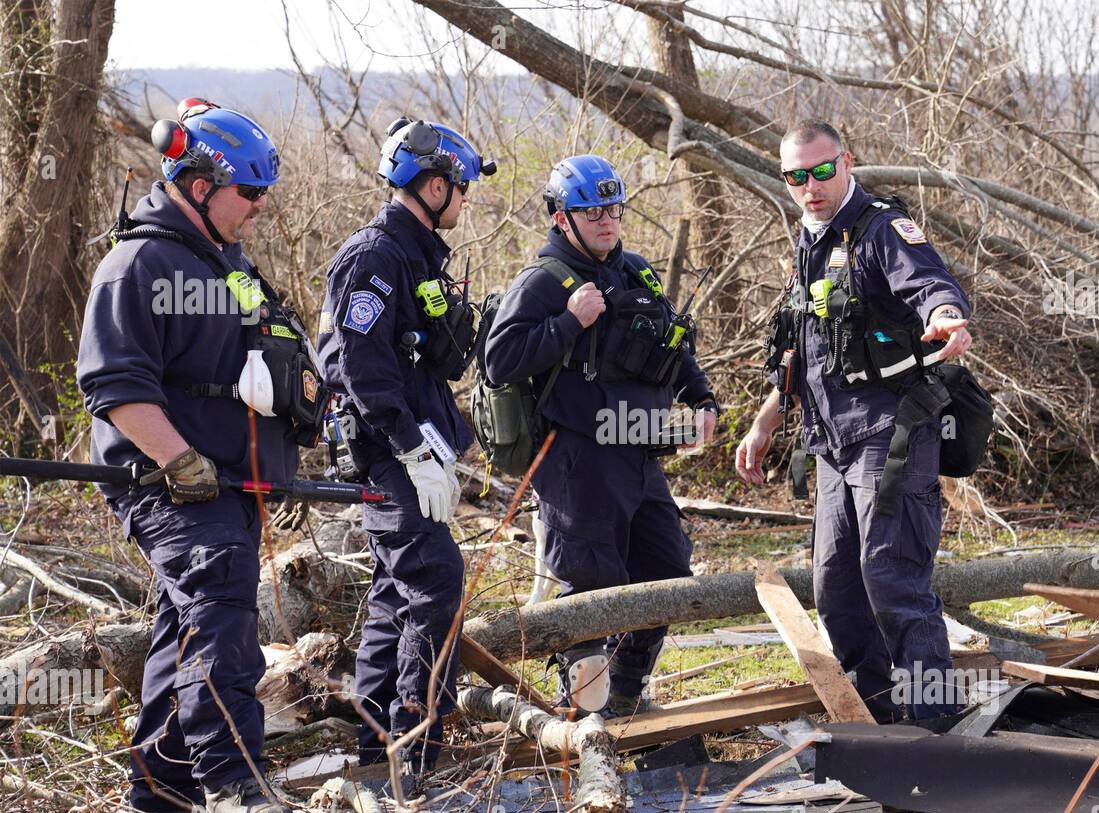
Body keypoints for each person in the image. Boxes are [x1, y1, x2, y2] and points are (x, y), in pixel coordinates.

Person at [78, 98, 315, 813]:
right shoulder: (138, 264)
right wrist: (179, 460)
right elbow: (115, 387)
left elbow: (266, 348)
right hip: (171, 486)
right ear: (201, 182)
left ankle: (156, 801)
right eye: (249, 191)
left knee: (184, 628)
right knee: (221, 610)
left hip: (231, 483)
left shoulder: (228, 263)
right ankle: (232, 779)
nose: (259, 205)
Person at [735, 121, 974, 722]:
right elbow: (801, 342)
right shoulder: (810, 241)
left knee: (892, 578)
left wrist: (946, 317)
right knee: (836, 590)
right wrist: (766, 420)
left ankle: (934, 728)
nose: (810, 187)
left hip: (889, 432)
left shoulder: (881, 229)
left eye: (821, 171)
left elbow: (930, 283)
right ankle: (878, 718)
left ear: (846, 162)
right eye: (796, 176)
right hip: (830, 439)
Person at [484, 154, 719, 717]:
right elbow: (500, 361)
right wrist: (568, 321)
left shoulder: (634, 270)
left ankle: (626, 700)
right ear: (562, 217)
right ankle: (584, 726)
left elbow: (673, 346)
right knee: (591, 589)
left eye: (613, 208)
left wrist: (702, 397)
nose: (607, 221)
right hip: (578, 463)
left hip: (640, 453)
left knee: (666, 575)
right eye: (592, 212)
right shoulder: (543, 281)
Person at [317, 119, 494, 773]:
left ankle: (376, 752)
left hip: (413, 451)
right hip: (390, 455)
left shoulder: (418, 255)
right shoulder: (375, 257)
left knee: (396, 595)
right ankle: (414, 749)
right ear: (436, 184)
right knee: (434, 581)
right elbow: (357, 366)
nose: (467, 201)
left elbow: (418, 362)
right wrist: (412, 447)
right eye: (463, 188)